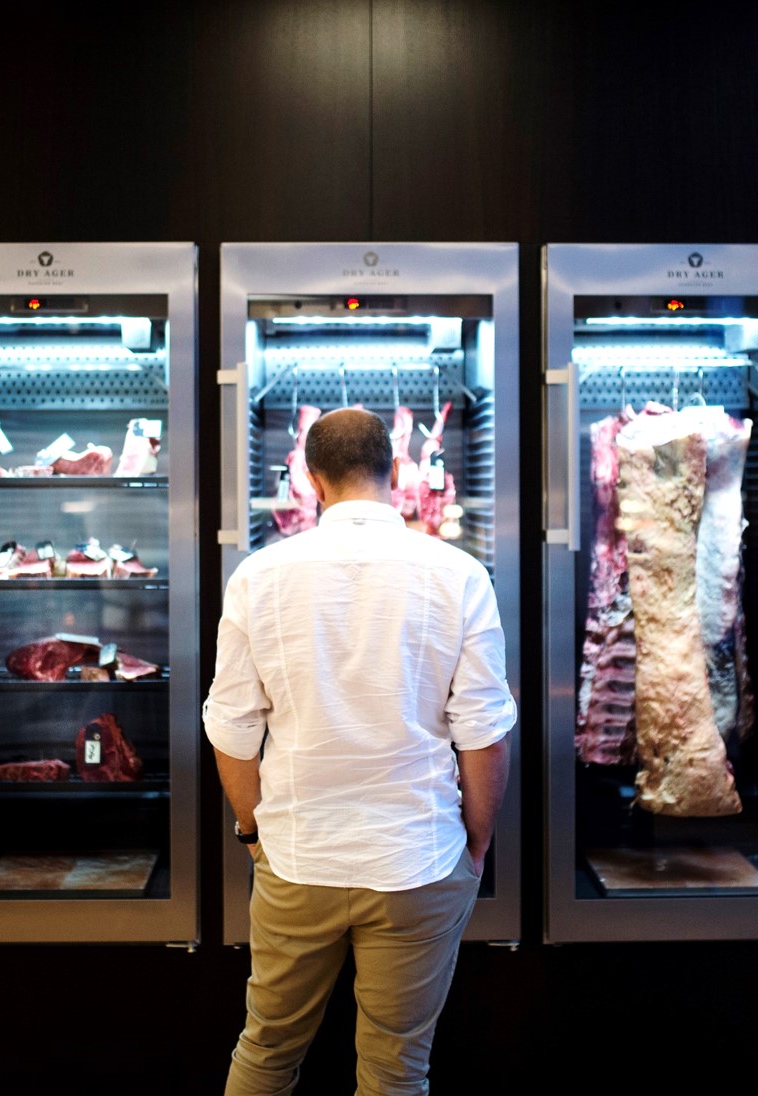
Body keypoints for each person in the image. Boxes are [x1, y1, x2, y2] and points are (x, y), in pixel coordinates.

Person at [203, 406, 515, 1096]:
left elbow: (230, 727)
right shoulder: (458, 573)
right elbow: (484, 731)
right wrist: (476, 844)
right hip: (419, 858)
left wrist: (256, 833)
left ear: (311, 480)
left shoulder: (259, 576)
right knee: (396, 1066)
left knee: (267, 1049)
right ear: (395, 471)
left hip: (297, 857)